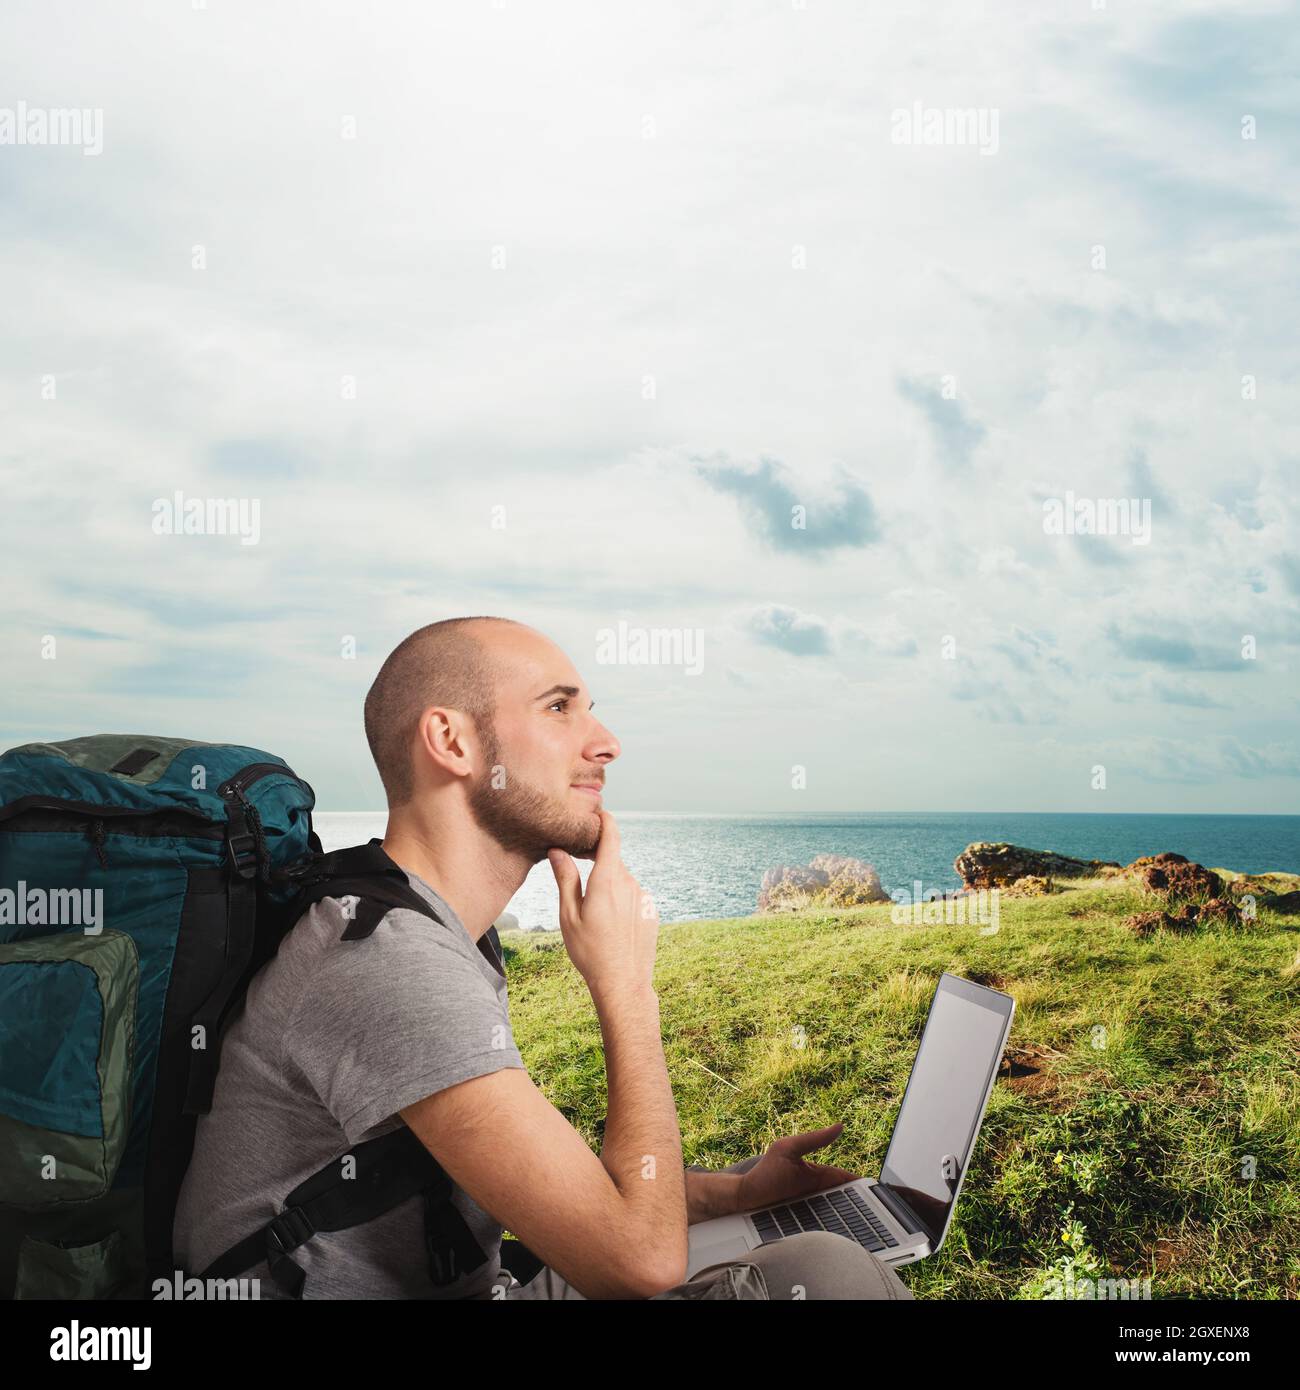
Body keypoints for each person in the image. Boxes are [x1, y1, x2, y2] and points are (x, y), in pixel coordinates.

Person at [173, 616, 913, 1301]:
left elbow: (545, 1184)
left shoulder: (433, 925)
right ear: (452, 743)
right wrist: (625, 986)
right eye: (560, 709)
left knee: (817, 1265)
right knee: (833, 1275)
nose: (606, 742)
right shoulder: (386, 962)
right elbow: (637, 1264)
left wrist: (734, 1195)